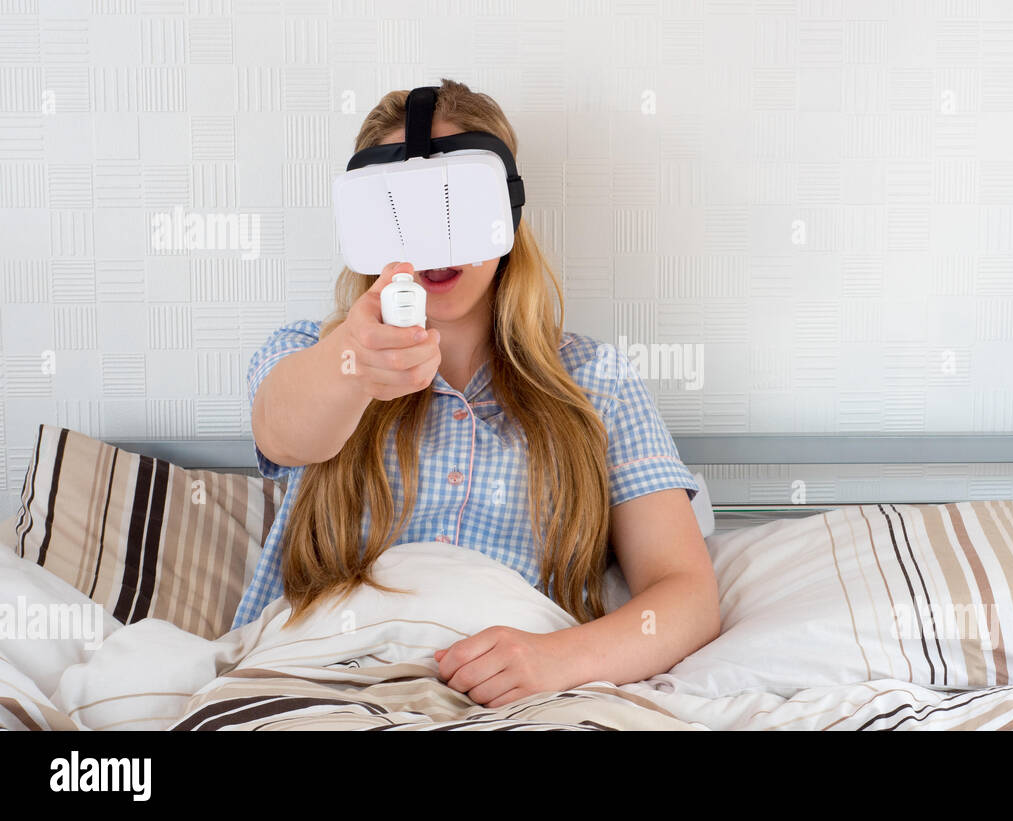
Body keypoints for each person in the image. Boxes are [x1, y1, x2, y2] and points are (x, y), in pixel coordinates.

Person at [232, 80, 721, 708]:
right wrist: (353, 363)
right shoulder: (313, 353)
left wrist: (555, 659)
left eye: (455, 204)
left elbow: (684, 592)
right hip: (324, 681)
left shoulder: (597, 382)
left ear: (507, 208)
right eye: (400, 212)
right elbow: (284, 430)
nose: (434, 239)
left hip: (510, 700)